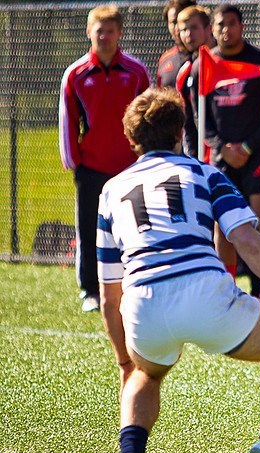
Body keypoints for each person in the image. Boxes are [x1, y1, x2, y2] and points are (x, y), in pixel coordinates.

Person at [99, 87, 260, 453]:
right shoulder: (204, 173)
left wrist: (123, 359)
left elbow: (109, 289)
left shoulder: (110, 191)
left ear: (132, 139)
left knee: (144, 374)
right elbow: (246, 239)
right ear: (182, 131)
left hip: (142, 299)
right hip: (205, 290)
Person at [193, 4, 260, 301]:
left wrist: (248, 147)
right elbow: (199, 116)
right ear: (212, 29)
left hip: (259, 155)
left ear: (242, 26)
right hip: (222, 160)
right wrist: (221, 147)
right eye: (220, 25)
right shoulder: (204, 64)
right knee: (223, 226)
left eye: (231, 23)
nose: (226, 30)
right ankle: (227, 291)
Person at [59, 5, 150, 313]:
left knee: (135, 227)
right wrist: (74, 159)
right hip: (91, 168)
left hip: (130, 167)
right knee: (88, 228)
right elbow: (68, 120)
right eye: (99, 30)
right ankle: (90, 291)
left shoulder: (136, 72)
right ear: (89, 32)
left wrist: (146, 156)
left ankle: (133, 285)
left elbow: (147, 116)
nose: (105, 36)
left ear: (119, 33)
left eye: (111, 31)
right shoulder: (75, 74)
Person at [175, 5, 216, 158]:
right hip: (202, 155)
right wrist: (191, 156)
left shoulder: (224, 63)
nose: (188, 34)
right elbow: (187, 120)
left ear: (208, 28)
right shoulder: (185, 71)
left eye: (193, 28)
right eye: (183, 30)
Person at [157, 0, 195, 88]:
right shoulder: (165, 59)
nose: (178, 27)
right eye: (173, 22)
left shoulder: (209, 55)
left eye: (182, 21)